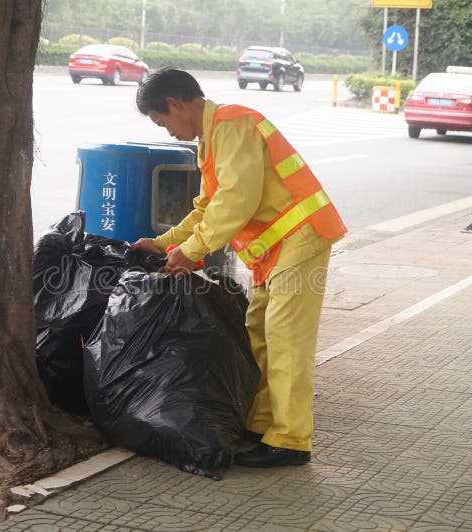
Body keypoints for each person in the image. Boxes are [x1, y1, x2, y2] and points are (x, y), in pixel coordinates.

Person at [131, 68, 346, 468]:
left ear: (175, 103)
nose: (169, 133)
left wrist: (192, 251)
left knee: (286, 341)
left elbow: (236, 201)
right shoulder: (212, 137)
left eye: (164, 123)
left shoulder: (233, 125)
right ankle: (263, 424)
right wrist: (164, 243)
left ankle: (291, 440)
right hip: (276, 248)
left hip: (300, 239)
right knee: (259, 334)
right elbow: (207, 208)